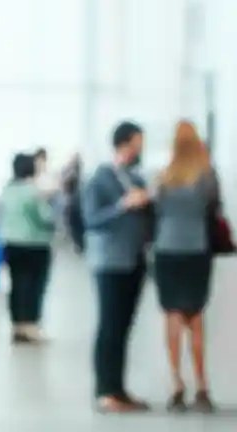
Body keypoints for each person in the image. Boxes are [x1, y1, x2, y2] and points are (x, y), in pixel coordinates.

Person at [81, 121, 154, 413]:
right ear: (124, 144)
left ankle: (119, 388)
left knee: (123, 327)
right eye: (138, 142)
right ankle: (105, 390)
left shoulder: (134, 177)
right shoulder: (101, 178)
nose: (141, 148)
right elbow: (92, 219)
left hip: (134, 260)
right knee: (109, 327)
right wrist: (124, 205)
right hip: (110, 262)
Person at [151, 121, 218, 413]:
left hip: (167, 250)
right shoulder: (206, 176)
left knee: (173, 316)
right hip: (196, 249)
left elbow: (155, 211)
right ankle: (203, 386)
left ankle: (177, 383)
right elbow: (213, 208)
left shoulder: (164, 177)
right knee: (196, 317)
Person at [0, 153, 56, 343]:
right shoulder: (33, 191)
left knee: (16, 285)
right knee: (34, 286)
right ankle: (31, 325)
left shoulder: (7, 190)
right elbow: (46, 218)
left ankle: (17, 326)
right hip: (35, 244)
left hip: (10, 244)